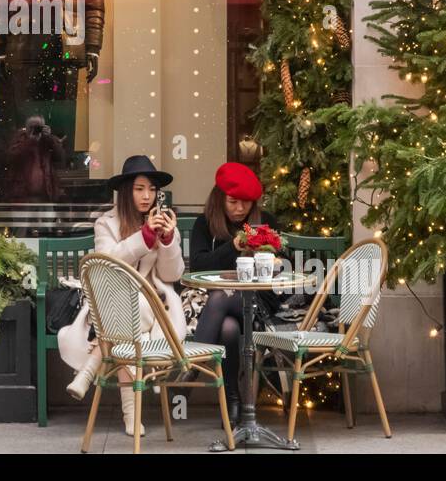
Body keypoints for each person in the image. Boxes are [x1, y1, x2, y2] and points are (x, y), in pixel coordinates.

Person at [58, 155, 186, 436]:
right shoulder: (106, 223)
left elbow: (171, 275)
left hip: (151, 301)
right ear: (126, 190)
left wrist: (166, 240)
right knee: (127, 310)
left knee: (136, 304)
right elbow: (106, 263)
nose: (147, 196)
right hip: (108, 300)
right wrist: (144, 238)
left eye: (152, 189)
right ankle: (132, 414)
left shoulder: (161, 221)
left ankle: (91, 367)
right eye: (140, 188)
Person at [187, 161, 280, 421]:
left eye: (246, 202)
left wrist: (269, 256)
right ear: (219, 199)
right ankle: (233, 402)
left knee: (220, 298)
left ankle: (193, 364)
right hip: (219, 310)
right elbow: (198, 266)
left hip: (258, 305)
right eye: (233, 202)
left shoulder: (266, 223)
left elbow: (280, 267)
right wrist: (234, 247)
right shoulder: (204, 224)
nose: (240, 209)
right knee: (228, 327)